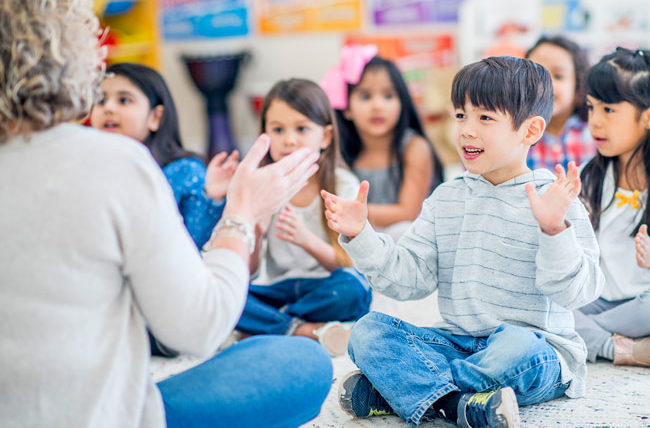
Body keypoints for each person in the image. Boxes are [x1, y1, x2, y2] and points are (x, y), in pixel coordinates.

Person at [0, 2, 332, 427]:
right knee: (303, 363)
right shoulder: (117, 161)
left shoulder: (165, 166)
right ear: (70, 52)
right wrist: (242, 212)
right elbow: (197, 327)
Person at [321, 56, 604, 427]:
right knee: (369, 332)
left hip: (535, 350)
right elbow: (409, 281)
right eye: (460, 116)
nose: (467, 131)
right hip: (456, 343)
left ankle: (405, 391)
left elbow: (579, 293)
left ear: (530, 130)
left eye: (485, 118)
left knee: (517, 351)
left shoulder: (555, 200)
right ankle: (458, 405)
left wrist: (554, 231)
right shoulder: (447, 199)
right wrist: (361, 235)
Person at [233, 79, 372, 357]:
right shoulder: (262, 185)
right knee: (229, 295)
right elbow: (247, 271)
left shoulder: (342, 184)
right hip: (278, 288)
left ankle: (269, 325)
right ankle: (304, 331)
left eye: (302, 128)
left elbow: (349, 262)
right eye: (278, 129)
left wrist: (305, 239)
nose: (289, 139)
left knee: (356, 289)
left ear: (326, 137)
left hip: (324, 286)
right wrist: (256, 233)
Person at [90, 62, 238, 250]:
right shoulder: (91, 172)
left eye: (124, 100)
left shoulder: (184, 170)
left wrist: (213, 198)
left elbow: (193, 245)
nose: (108, 108)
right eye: (100, 100)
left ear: (155, 118)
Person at [574, 47, 650, 367]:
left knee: (553, 327)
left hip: (645, 304)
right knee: (543, 308)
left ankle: (575, 338)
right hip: (599, 300)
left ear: (647, 116)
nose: (595, 122)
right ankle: (625, 349)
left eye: (608, 110)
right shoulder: (589, 177)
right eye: (591, 108)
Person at [321, 44, 444, 240]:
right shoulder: (341, 151)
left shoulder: (414, 147)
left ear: (402, 102)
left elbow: (408, 212)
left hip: (405, 242)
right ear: (347, 109)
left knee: (401, 230)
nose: (377, 106)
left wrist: (348, 211)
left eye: (388, 95)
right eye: (365, 96)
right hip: (357, 239)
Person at [525, 35, 595, 171]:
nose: (544, 84)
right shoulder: (515, 136)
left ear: (578, 87)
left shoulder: (594, 136)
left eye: (558, 76)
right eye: (535, 74)